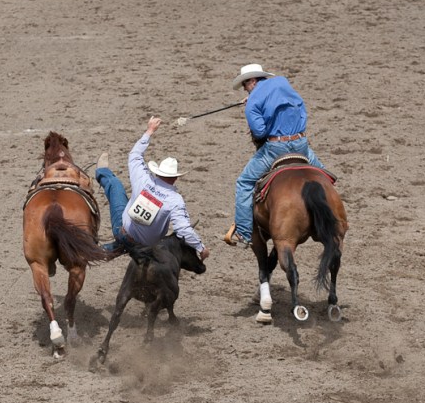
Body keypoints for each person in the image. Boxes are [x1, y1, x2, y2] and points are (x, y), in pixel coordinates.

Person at [224, 63, 326, 248]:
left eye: (245, 87)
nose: (245, 91)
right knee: (324, 175)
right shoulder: (283, 83)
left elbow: (260, 132)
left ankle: (244, 233)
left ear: (252, 81)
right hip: (301, 144)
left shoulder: (252, 103)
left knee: (244, 182)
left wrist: (253, 106)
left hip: (276, 149)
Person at [95, 116, 210, 260]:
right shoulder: (175, 200)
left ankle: (102, 172)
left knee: (115, 185)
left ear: (157, 172)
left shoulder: (144, 179)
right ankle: (118, 247)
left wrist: (149, 131)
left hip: (122, 232)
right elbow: (183, 230)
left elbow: (134, 156)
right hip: (147, 248)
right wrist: (201, 247)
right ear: (175, 178)